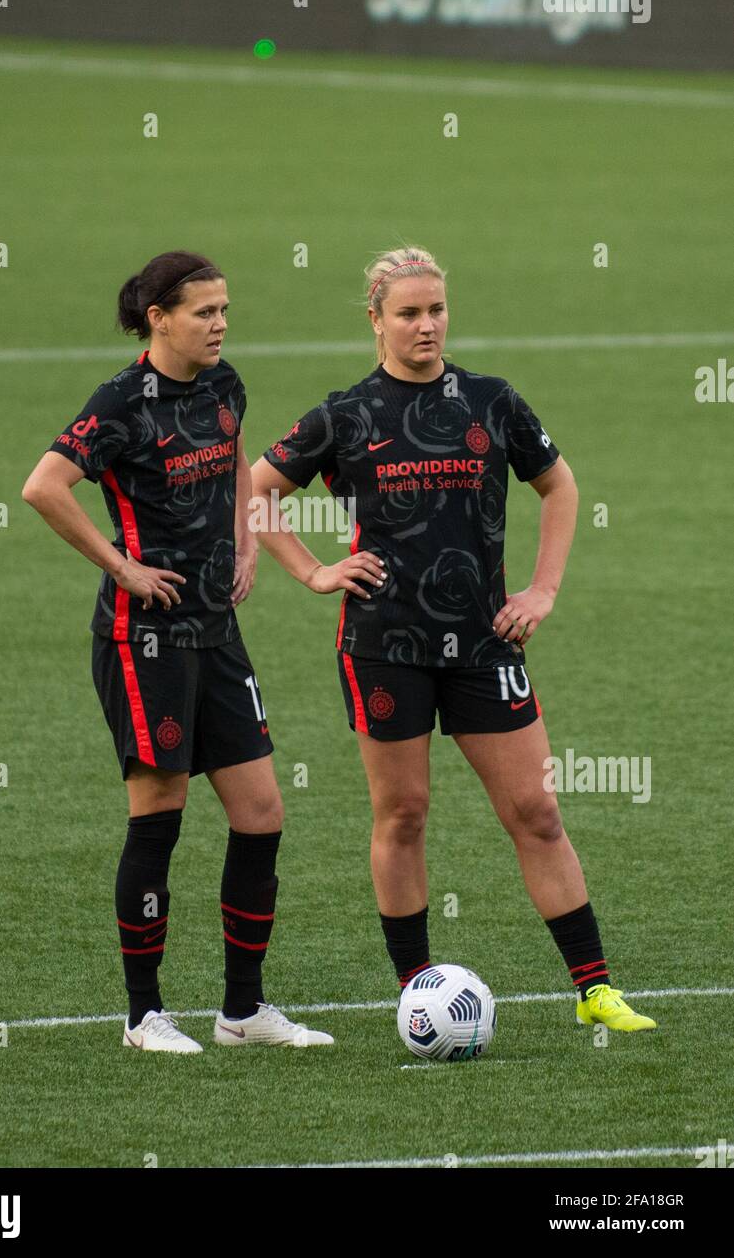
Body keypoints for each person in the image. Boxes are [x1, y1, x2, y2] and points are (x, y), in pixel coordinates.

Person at [249, 245, 656, 1033]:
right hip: (382, 647)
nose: (425, 325)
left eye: (435, 309)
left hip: (484, 645)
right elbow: (256, 488)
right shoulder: (344, 414)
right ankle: (415, 990)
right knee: (402, 814)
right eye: (407, 313)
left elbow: (559, 485)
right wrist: (311, 571)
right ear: (374, 319)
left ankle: (594, 991)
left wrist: (542, 589)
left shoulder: (491, 400)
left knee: (536, 810)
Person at [22, 251, 333, 1053]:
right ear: (158, 317)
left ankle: (242, 1012)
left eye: (225, 309)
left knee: (261, 813)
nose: (220, 323)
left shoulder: (225, 387)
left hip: (215, 631)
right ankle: (143, 1016)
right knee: (160, 816)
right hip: (144, 640)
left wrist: (246, 542)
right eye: (203, 312)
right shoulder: (121, 402)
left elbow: (233, 464)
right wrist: (121, 566)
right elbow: (44, 486)